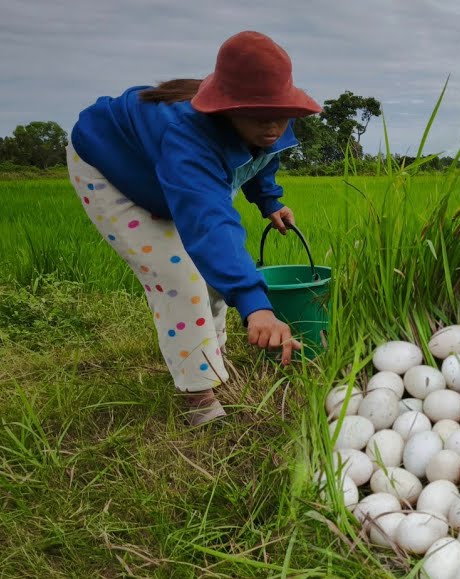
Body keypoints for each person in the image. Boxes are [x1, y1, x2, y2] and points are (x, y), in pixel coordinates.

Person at [66, 30, 320, 426]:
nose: (272, 124)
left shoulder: (273, 121)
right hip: (109, 168)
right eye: (257, 115)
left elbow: (263, 158)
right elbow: (210, 225)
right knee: (179, 277)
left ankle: (213, 364)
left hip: (171, 179)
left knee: (215, 277)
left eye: (279, 112)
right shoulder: (188, 137)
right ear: (229, 109)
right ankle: (199, 397)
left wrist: (269, 200)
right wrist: (257, 307)